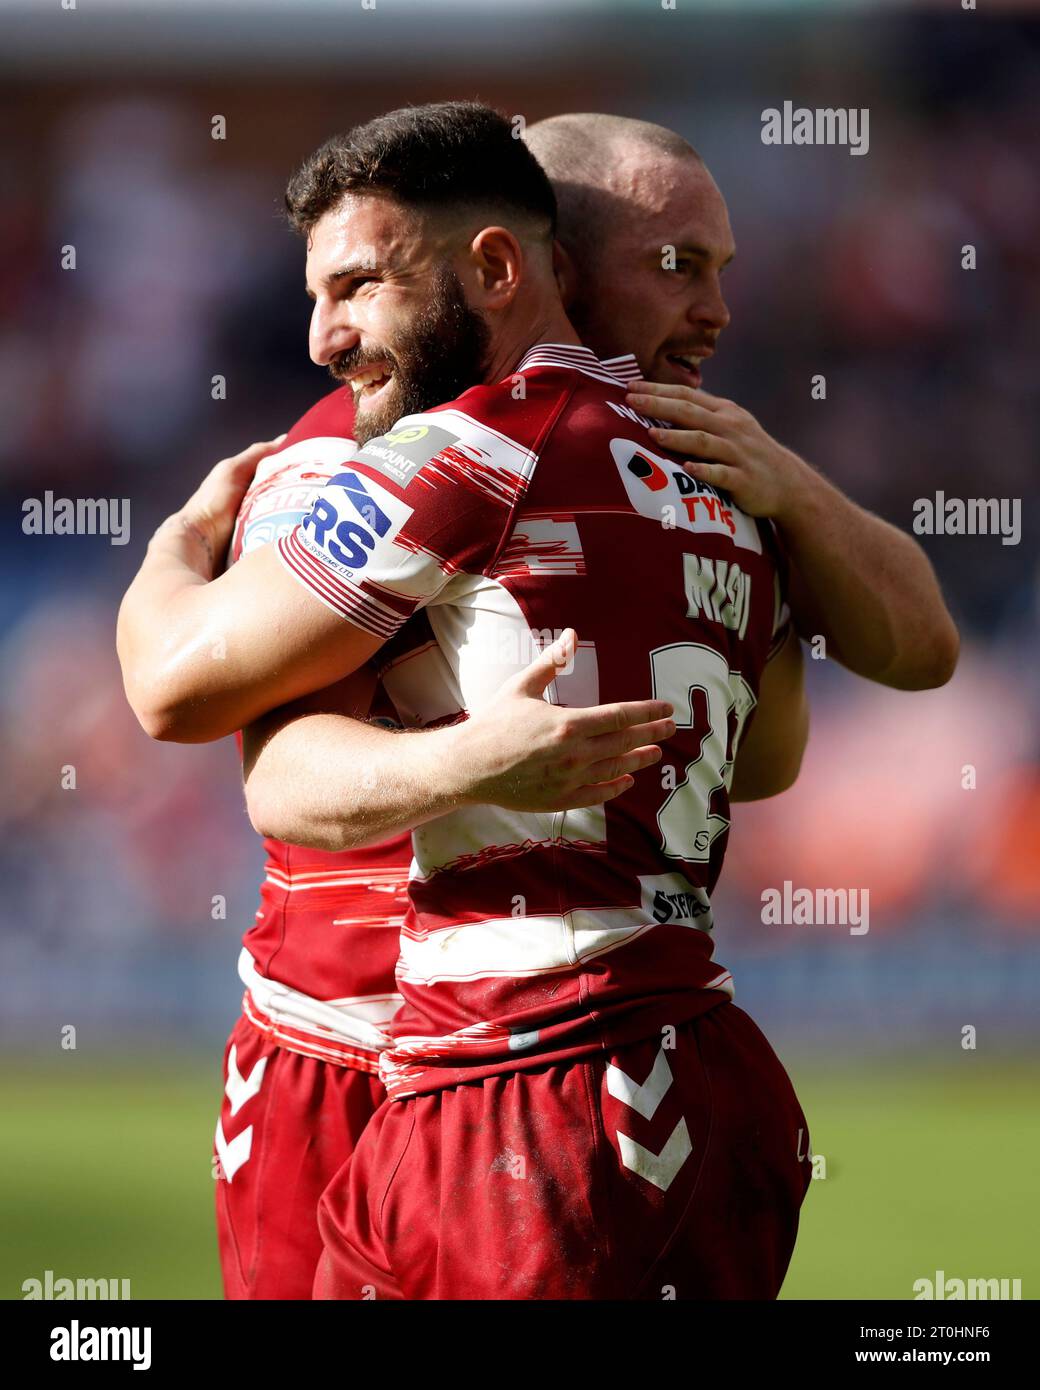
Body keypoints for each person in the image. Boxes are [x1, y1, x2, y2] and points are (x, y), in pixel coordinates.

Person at [117, 103, 957, 1298]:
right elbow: (770, 752)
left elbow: (193, 705)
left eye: (717, 269)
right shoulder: (693, 469)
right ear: (547, 258)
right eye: (677, 266)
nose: (713, 309)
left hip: (491, 1071)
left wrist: (173, 547)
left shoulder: (470, 449)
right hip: (593, 1055)